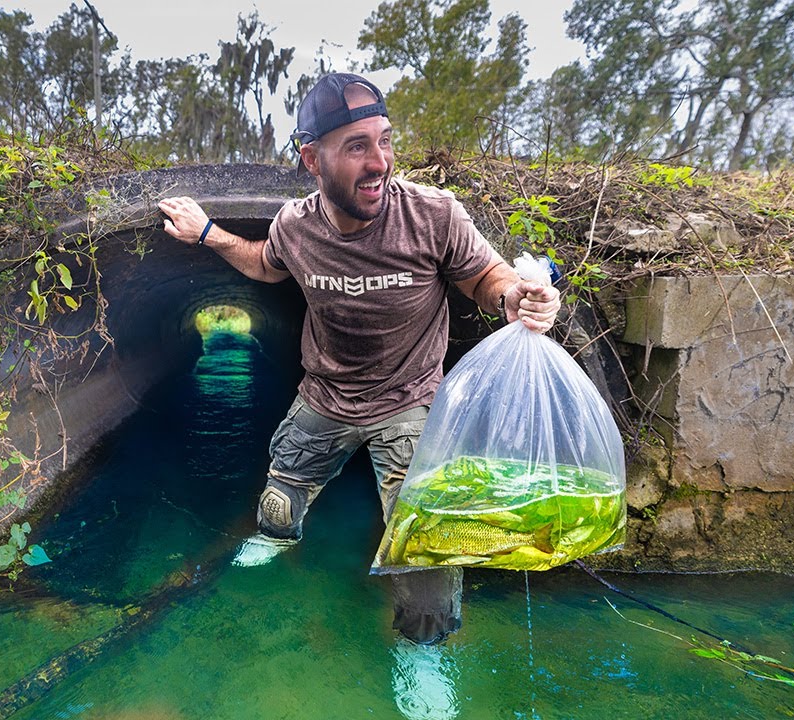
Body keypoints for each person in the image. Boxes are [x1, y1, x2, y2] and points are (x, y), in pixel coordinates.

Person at [159, 71, 559, 657]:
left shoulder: (433, 215)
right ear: (312, 160)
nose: (379, 162)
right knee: (276, 509)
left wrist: (515, 299)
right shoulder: (297, 225)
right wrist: (209, 234)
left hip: (409, 400)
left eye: (385, 140)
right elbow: (266, 264)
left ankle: (425, 650)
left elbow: (487, 277)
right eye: (356, 146)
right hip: (325, 396)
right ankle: (278, 542)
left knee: (424, 543)